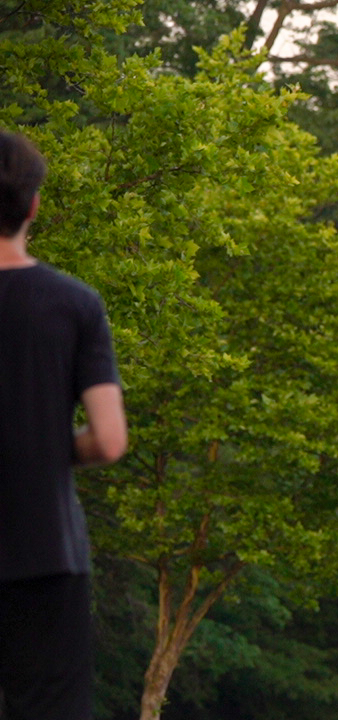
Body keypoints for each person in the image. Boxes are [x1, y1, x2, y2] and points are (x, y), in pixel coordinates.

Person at [0, 130, 127, 720]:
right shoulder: (74, 304)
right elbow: (108, 438)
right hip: (45, 553)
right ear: (33, 205)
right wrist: (46, 446)